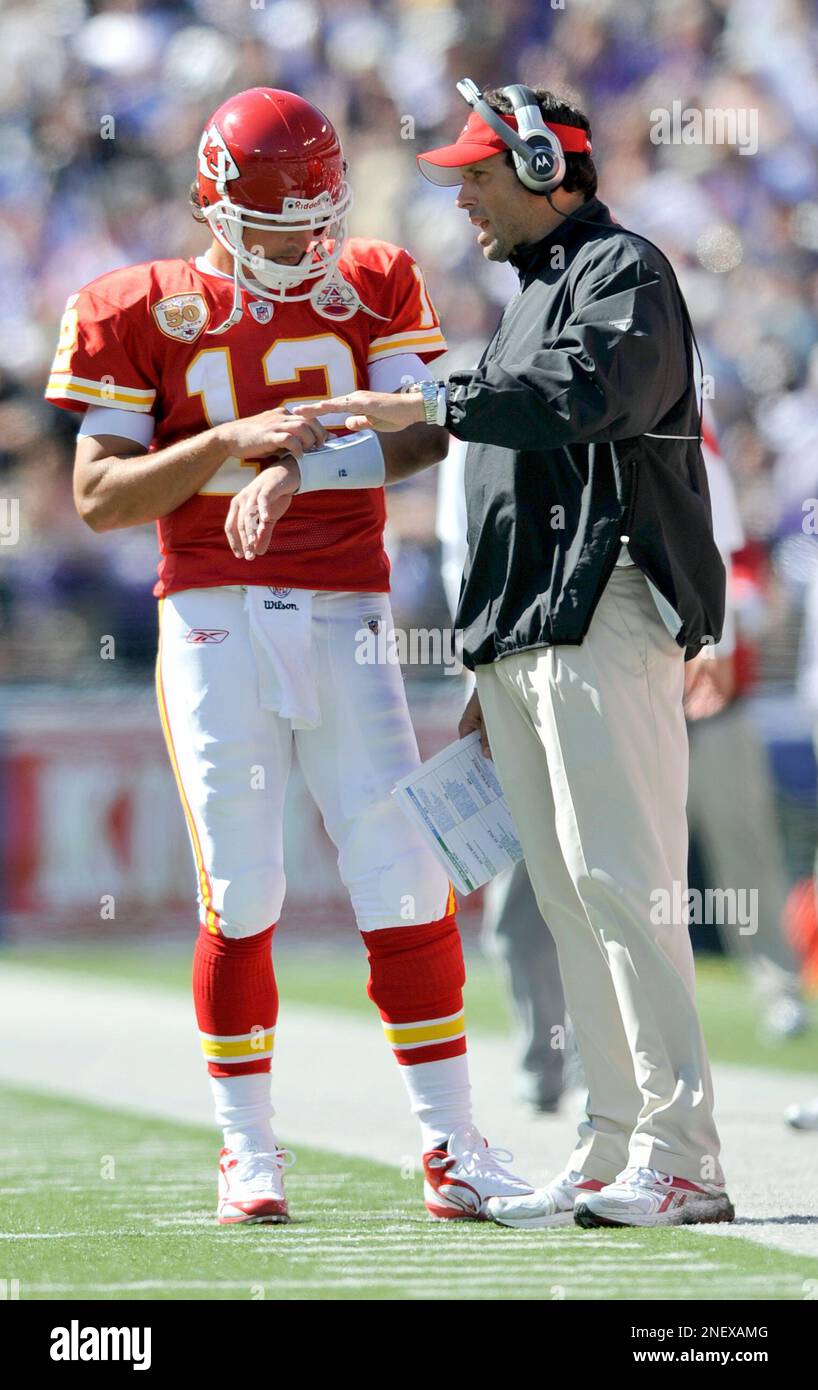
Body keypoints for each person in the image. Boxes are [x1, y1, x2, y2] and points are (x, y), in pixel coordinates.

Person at [45, 87, 534, 1226]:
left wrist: (300, 466)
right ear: (214, 208)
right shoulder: (136, 306)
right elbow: (99, 496)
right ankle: (247, 1152)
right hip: (211, 611)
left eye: (315, 221)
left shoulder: (371, 278)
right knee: (245, 882)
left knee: (403, 873)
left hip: (346, 606)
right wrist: (224, 440)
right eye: (272, 229)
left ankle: (453, 1145)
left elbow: (425, 426)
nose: (300, 248)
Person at [300, 81, 735, 1229]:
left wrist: (427, 398)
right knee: (567, 895)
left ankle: (681, 1150)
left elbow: (585, 398)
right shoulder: (534, 291)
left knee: (622, 888)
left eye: (478, 176)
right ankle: (607, 1146)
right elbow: (507, 484)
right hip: (532, 631)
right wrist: (486, 661)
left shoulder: (623, 270)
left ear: (546, 169)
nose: (462, 199)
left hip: (605, 607)